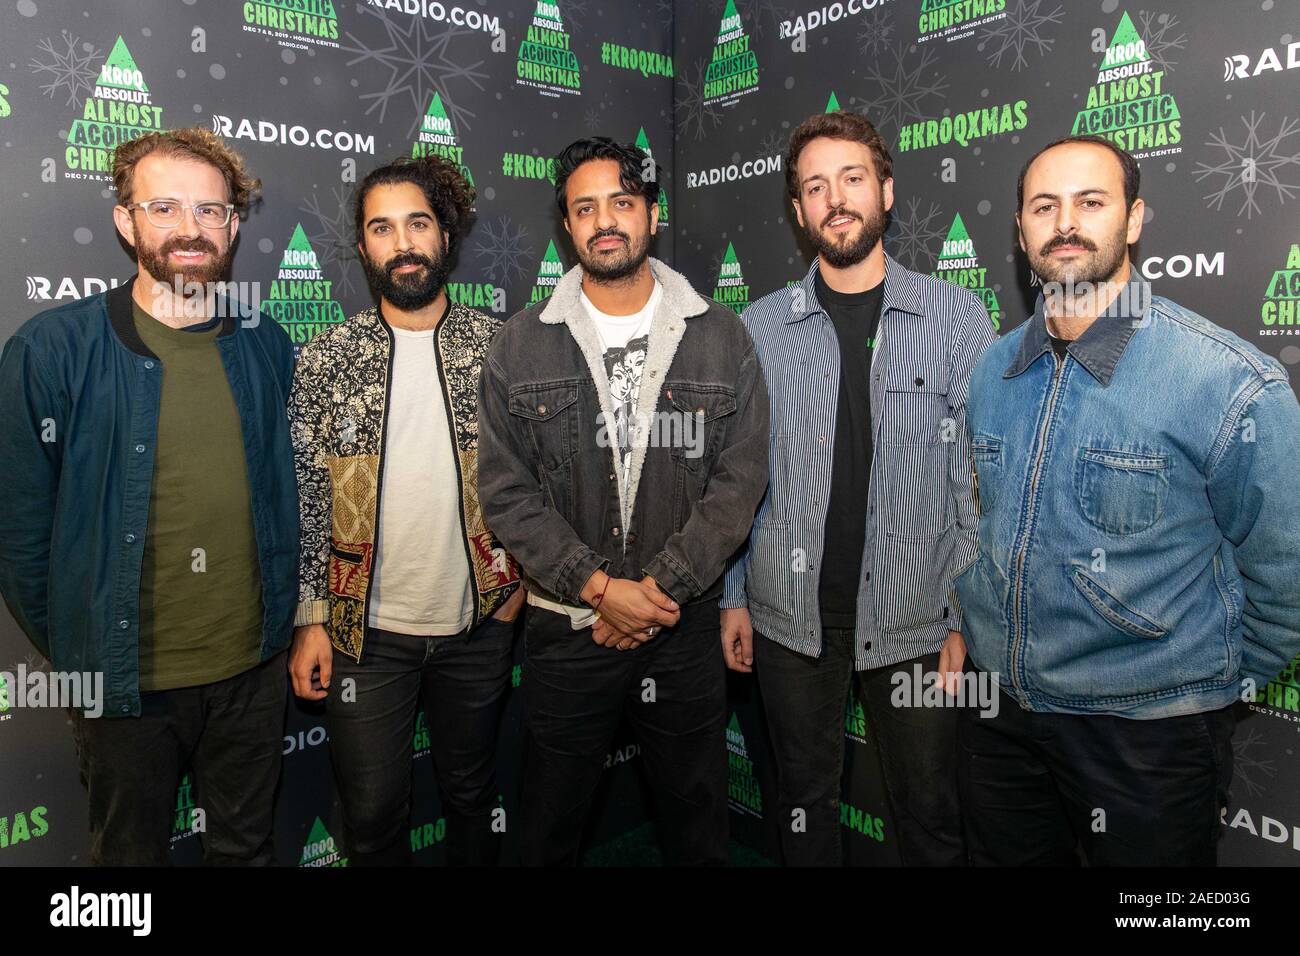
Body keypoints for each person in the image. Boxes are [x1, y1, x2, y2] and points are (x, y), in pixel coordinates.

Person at [955, 134, 1300, 865]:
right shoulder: (990, 370)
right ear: (1021, 232)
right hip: (1000, 720)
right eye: (1044, 207)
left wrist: (1203, 695)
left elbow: (1287, 572)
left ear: (1134, 219)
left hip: (1149, 737)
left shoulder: (1225, 381)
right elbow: (977, 523)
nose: (1065, 223)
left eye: (1091, 201)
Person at [0, 128, 298, 865]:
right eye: (163, 206)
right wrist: (85, 642)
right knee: (126, 866)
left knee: (247, 850)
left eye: (210, 210)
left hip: (252, 673)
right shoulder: (53, 349)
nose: (190, 228)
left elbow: (296, 494)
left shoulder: (267, 342)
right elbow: (21, 535)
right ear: (126, 221)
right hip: (125, 686)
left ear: (233, 226)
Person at [477, 136, 770, 865]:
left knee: (696, 826)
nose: (606, 221)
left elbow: (741, 482)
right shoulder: (519, 347)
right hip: (567, 632)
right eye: (586, 208)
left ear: (650, 213)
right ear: (567, 226)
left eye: (622, 202)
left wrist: (655, 593)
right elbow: (504, 491)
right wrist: (601, 589)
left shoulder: (721, 337)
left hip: (682, 632)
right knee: (548, 828)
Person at [721, 110, 995, 866]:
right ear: (799, 209)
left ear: (886, 191)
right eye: (815, 186)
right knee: (800, 811)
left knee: (929, 816)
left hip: (917, 620)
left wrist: (965, 611)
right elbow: (735, 477)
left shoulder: (955, 316)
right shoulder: (761, 327)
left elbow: (978, 476)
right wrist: (735, 595)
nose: (835, 199)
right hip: (788, 620)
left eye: (850, 178)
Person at [288, 155, 523, 866]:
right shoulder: (326, 358)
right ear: (363, 248)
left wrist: (517, 593)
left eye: (418, 222)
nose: (403, 242)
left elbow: (542, 480)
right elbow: (308, 498)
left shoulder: (503, 345)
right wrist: (312, 619)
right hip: (367, 632)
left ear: (445, 235)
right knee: (372, 813)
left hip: (481, 622)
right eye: (382, 228)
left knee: (472, 796)